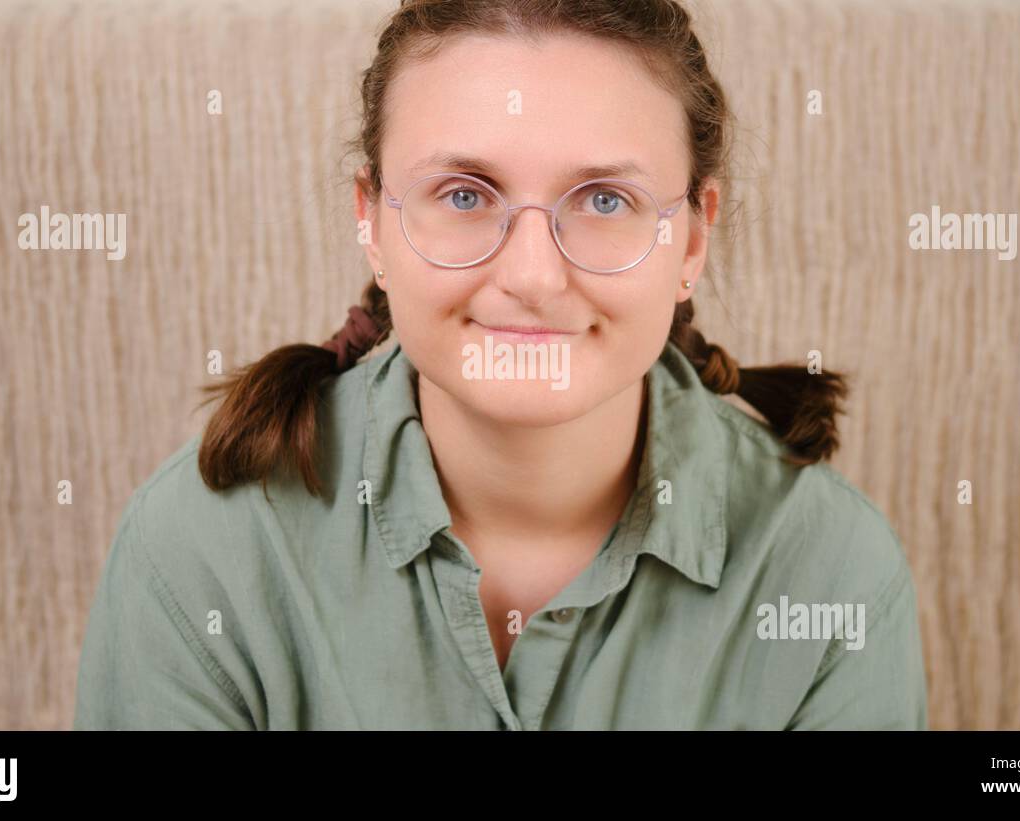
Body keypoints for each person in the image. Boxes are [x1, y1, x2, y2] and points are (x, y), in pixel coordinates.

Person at [74, 0, 927, 730]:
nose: (530, 276)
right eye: (464, 194)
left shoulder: (833, 576)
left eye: (603, 200)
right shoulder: (197, 548)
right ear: (372, 219)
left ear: (692, 238)